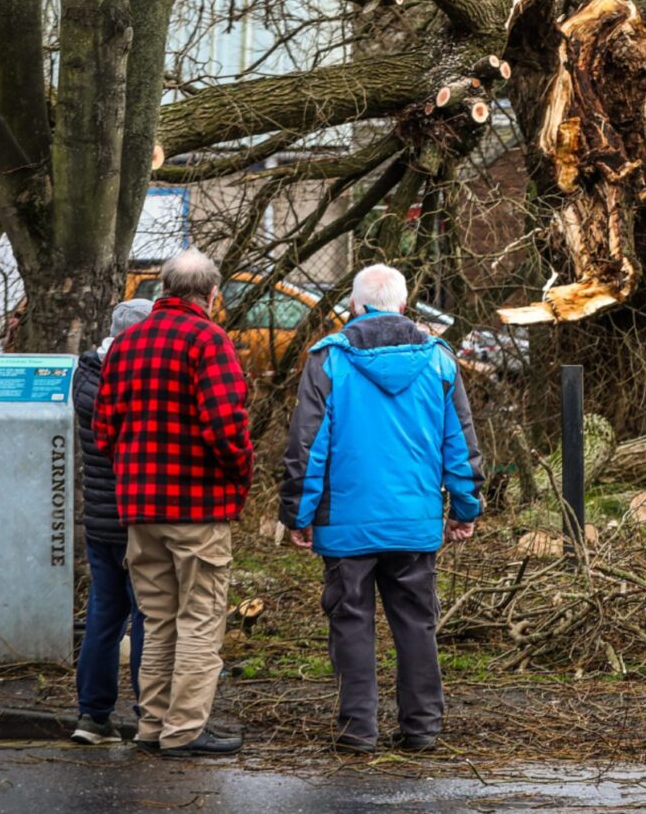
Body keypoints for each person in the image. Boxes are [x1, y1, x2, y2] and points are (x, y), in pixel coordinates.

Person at [281, 264, 484, 754]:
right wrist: (464, 505)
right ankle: (423, 728)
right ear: (403, 304)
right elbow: (458, 442)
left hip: (346, 521)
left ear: (355, 306)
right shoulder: (439, 360)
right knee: (416, 621)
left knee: (351, 621)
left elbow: (307, 446)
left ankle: (358, 730)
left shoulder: (330, 360)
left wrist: (298, 513)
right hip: (413, 520)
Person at [93, 249, 253, 759]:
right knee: (201, 618)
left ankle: (152, 725)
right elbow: (227, 427)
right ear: (212, 295)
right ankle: (185, 730)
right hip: (198, 507)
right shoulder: (209, 340)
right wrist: (240, 480)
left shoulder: (126, 345)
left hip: (141, 509)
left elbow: (105, 431)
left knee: (157, 619)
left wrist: (133, 471)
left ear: (161, 288)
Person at [69, 297, 152, 744]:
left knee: (104, 614)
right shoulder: (134, 377)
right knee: (145, 615)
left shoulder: (87, 373)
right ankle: (148, 712)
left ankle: (93, 716)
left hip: (98, 519)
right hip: (134, 515)